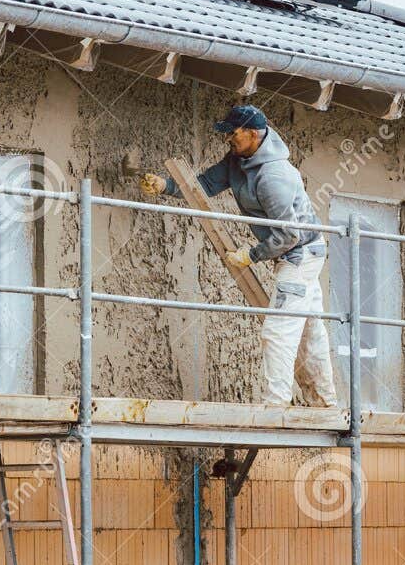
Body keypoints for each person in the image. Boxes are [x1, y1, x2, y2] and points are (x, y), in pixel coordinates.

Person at [139, 105, 339, 408]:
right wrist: (166, 185)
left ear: (253, 134)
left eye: (232, 133)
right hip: (294, 252)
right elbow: (204, 186)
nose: (228, 140)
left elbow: (290, 235)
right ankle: (326, 405)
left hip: (300, 255)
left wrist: (251, 255)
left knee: (277, 331)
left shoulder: (274, 177)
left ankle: (275, 407)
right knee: (309, 332)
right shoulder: (237, 160)